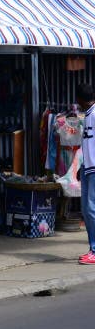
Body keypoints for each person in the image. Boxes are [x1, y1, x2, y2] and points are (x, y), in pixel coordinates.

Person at [76, 84, 95, 265]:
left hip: (94, 168)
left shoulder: (94, 114)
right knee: (86, 209)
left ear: (79, 99)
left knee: (90, 209)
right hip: (88, 167)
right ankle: (92, 248)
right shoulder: (88, 114)